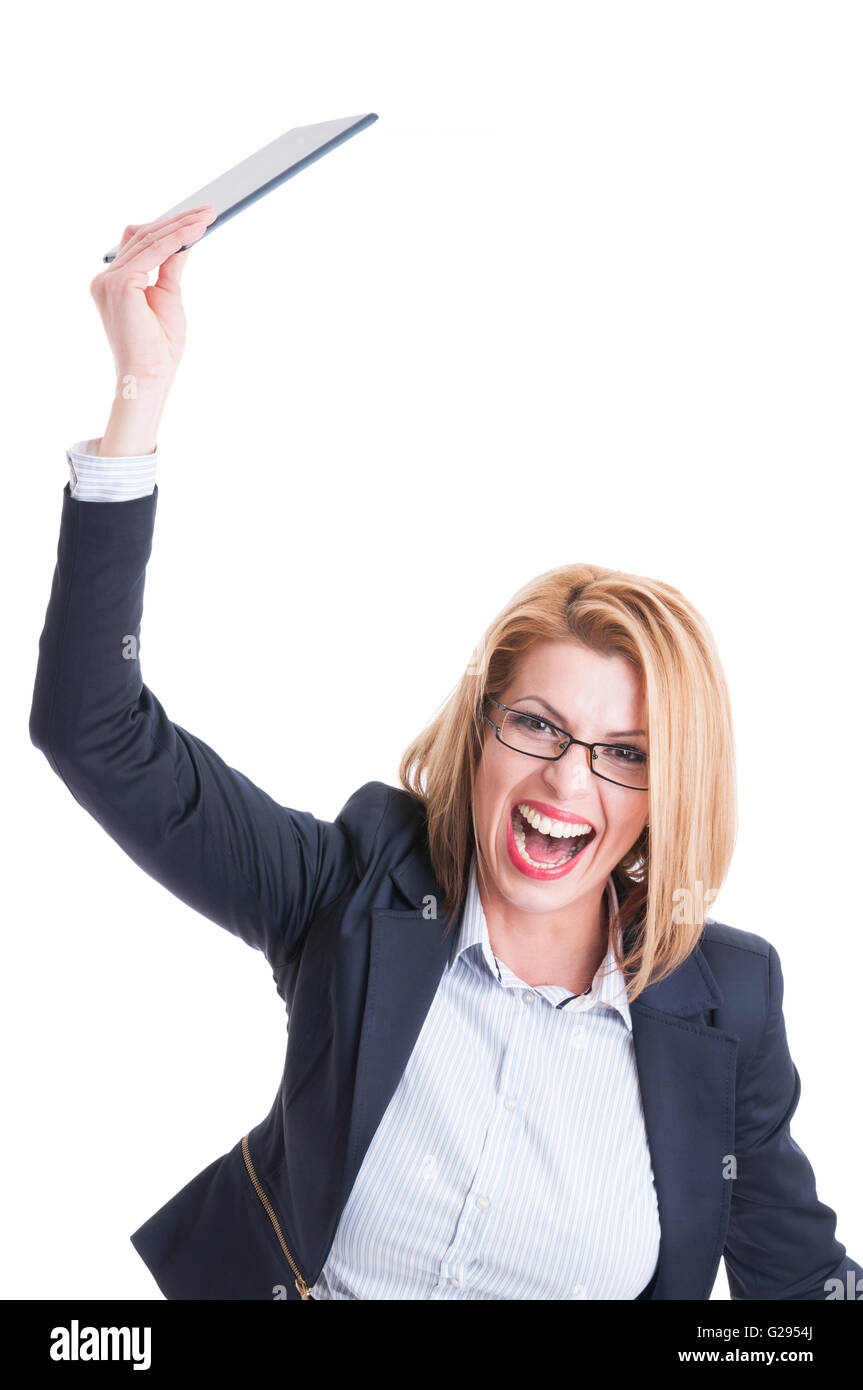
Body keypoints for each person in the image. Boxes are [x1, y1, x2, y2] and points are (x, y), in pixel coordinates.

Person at [30, 207, 861, 1302]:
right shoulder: (353, 892)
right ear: (479, 733)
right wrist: (139, 393)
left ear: (670, 794)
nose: (568, 778)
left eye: (622, 753)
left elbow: (797, 1301)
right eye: (536, 726)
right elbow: (93, 729)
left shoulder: (723, 1003)